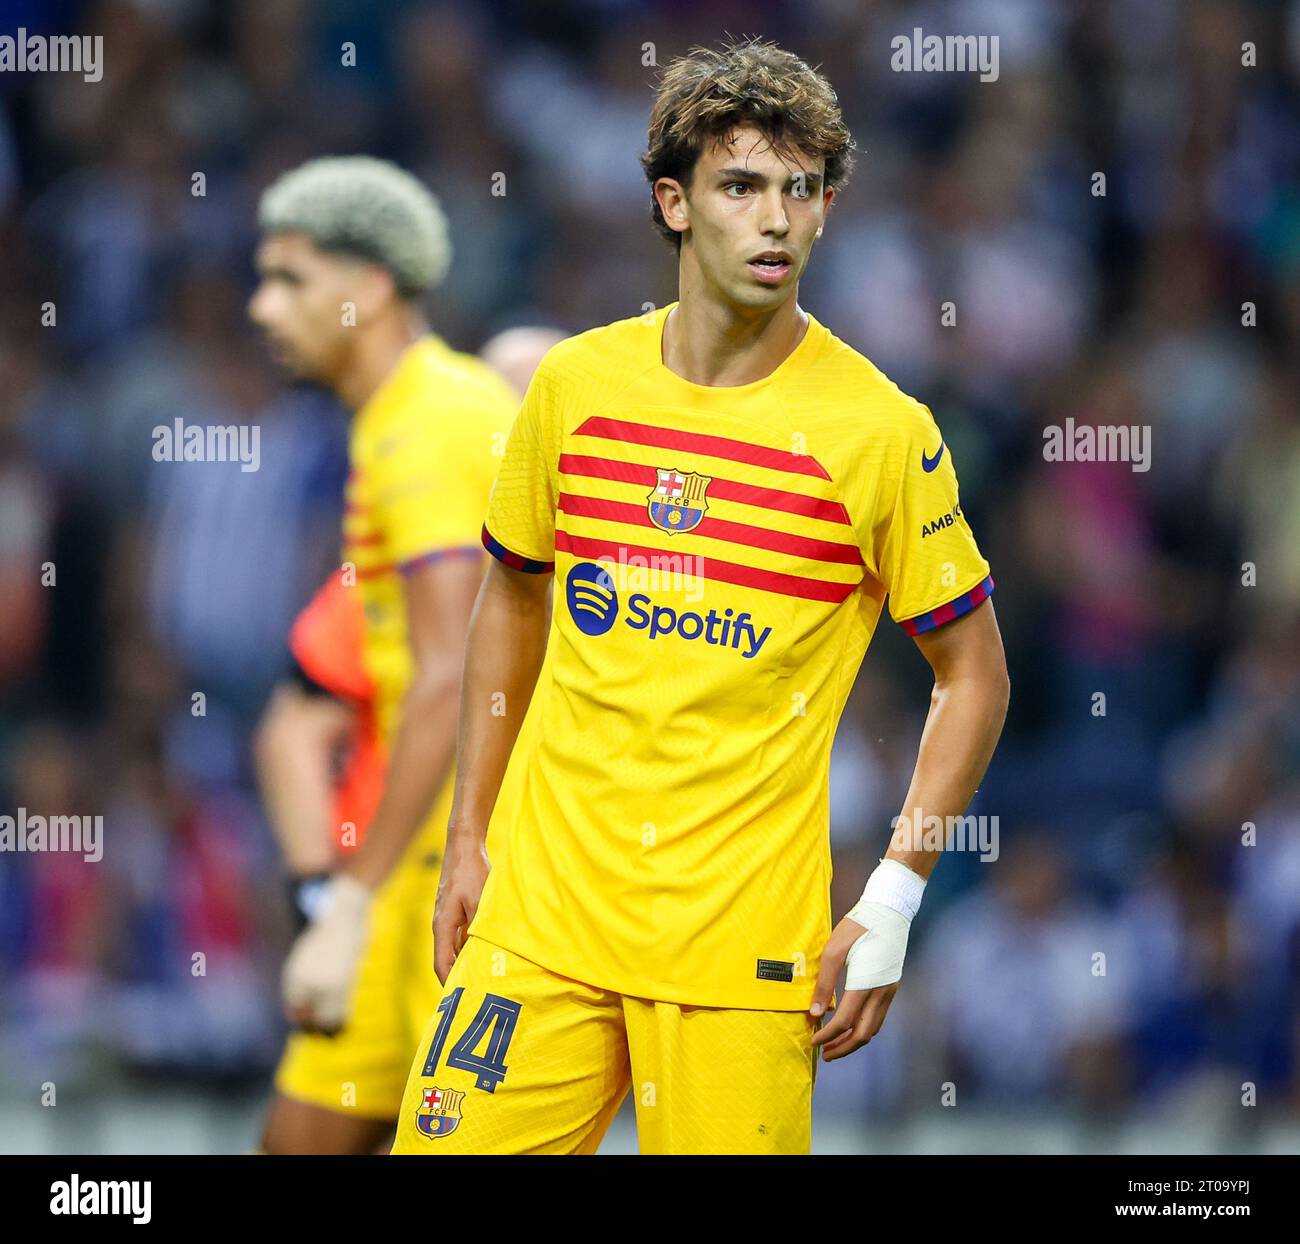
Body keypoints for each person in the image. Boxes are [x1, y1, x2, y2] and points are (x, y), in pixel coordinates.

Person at [391, 37, 1010, 1156]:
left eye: (801, 189)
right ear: (674, 203)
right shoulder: (575, 388)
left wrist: (894, 895)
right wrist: (469, 833)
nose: (775, 219)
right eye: (740, 186)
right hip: (540, 922)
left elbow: (973, 675)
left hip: (741, 958)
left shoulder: (880, 433)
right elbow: (513, 599)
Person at [247, 156, 519, 1153]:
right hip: (407, 854)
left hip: (445, 869)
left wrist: (348, 902)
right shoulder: (400, 419)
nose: (262, 306)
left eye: (291, 279)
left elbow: (454, 673)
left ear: (366, 291)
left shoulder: (436, 422)